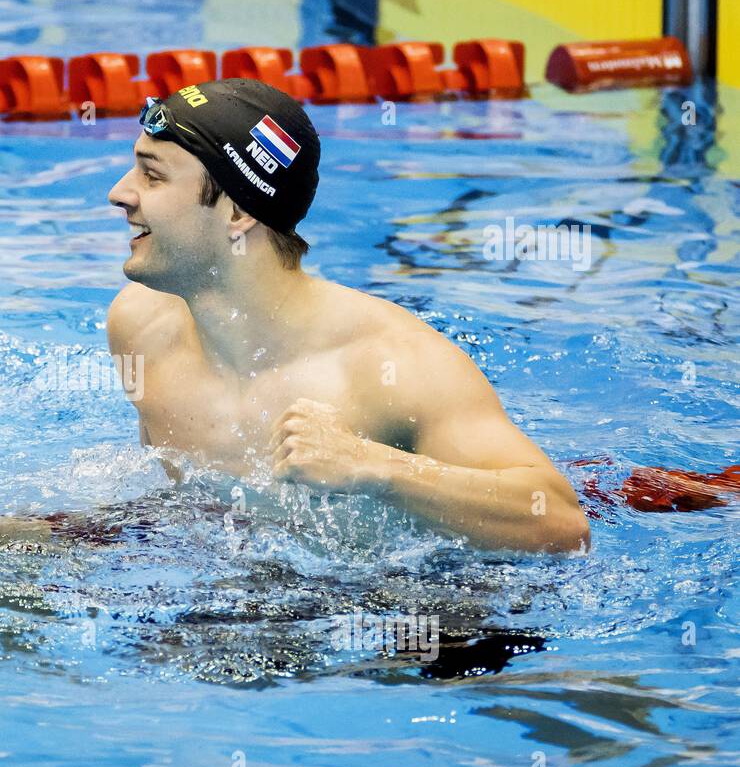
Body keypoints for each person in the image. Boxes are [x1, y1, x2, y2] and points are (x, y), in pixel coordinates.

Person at [105, 79, 589, 553]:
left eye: (152, 175)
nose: (120, 194)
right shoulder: (142, 328)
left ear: (237, 212)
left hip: (405, 603)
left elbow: (564, 523)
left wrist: (371, 465)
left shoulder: (393, 365)